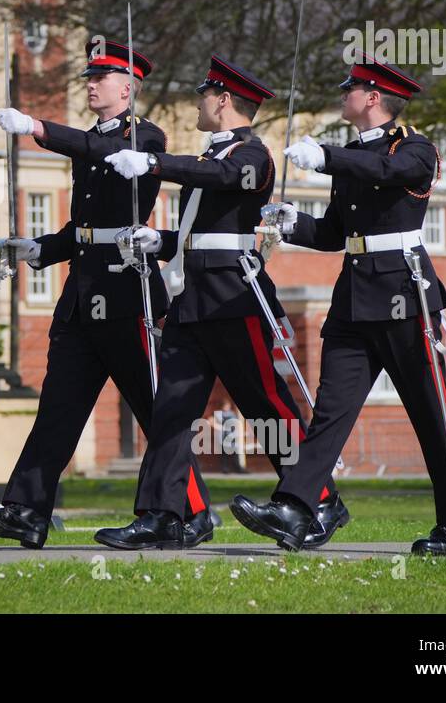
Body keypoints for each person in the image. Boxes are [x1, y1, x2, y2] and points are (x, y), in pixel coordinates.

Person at [0, 38, 214, 549]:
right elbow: (85, 228)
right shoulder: (89, 140)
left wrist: (38, 128)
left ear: (128, 87)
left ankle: (191, 513)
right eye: (89, 78)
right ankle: (27, 511)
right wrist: (36, 248)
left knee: (158, 412)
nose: (91, 85)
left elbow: (99, 150)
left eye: (100, 78)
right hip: (83, 296)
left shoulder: (145, 138)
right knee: (58, 408)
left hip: (129, 294)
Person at [93, 56, 349, 549]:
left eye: (203, 95)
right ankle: (162, 515)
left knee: (265, 404)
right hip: (193, 300)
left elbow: (227, 180)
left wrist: (155, 163)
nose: (197, 102)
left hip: (234, 296)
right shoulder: (211, 158)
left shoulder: (251, 155)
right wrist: (160, 240)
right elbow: (198, 233)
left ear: (223, 100)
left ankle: (319, 498)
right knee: (171, 410)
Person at [231, 54, 446, 556]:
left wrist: (325, 155)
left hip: (405, 299)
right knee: (331, 411)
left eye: (351, 89)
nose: (342, 95)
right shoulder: (350, 156)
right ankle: (296, 507)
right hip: (355, 300)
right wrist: (292, 221)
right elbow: (334, 234)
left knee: (432, 415)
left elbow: (389, 171)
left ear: (372, 98)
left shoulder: (415, 149)